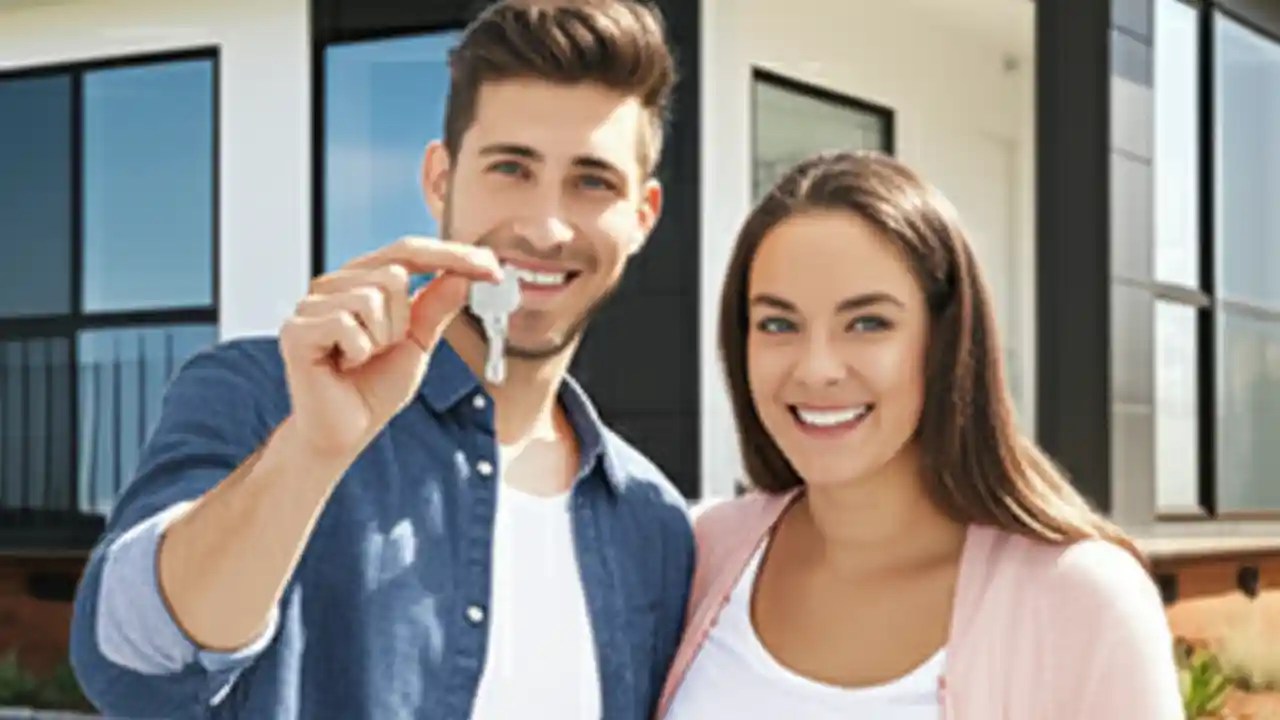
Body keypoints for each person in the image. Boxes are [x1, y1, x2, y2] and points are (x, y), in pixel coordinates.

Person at [67, 2, 694, 718]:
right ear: (439, 180)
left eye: (592, 182)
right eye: (512, 168)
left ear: (642, 216)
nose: (547, 228)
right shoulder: (264, 398)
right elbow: (133, 662)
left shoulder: (654, 521)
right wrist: (310, 452)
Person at [656, 152, 1183, 719]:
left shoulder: (1082, 598)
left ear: (945, 341)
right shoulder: (703, 551)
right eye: (778, 324)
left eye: (867, 323)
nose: (815, 368)